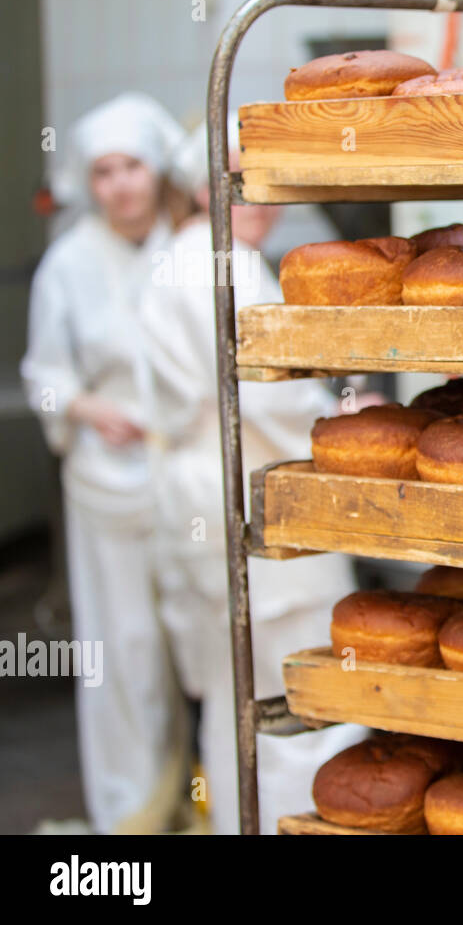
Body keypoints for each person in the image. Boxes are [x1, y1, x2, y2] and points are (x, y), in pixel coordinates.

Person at [141, 119, 368, 834]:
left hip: (193, 500)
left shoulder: (173, 261)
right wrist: (350, 414)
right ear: (207, 185)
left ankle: (237, 824)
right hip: (250, 497)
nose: (261, 197)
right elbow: (271, 396)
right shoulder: (228, 264)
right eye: (243, 178)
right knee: (304, 694)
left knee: (231, 697)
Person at [21, 93, 190, 833]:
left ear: (155, 171)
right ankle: (130, 815)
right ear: (87, 183)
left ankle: (200, 798)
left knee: (196, 642)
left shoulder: (185, 247)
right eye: (103, 172)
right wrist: (90, 410)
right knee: (121, 651)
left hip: (185, 481)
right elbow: (44, 374)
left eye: (131, 168)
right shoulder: (68, 263)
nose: (120, 185)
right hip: (105, 484)